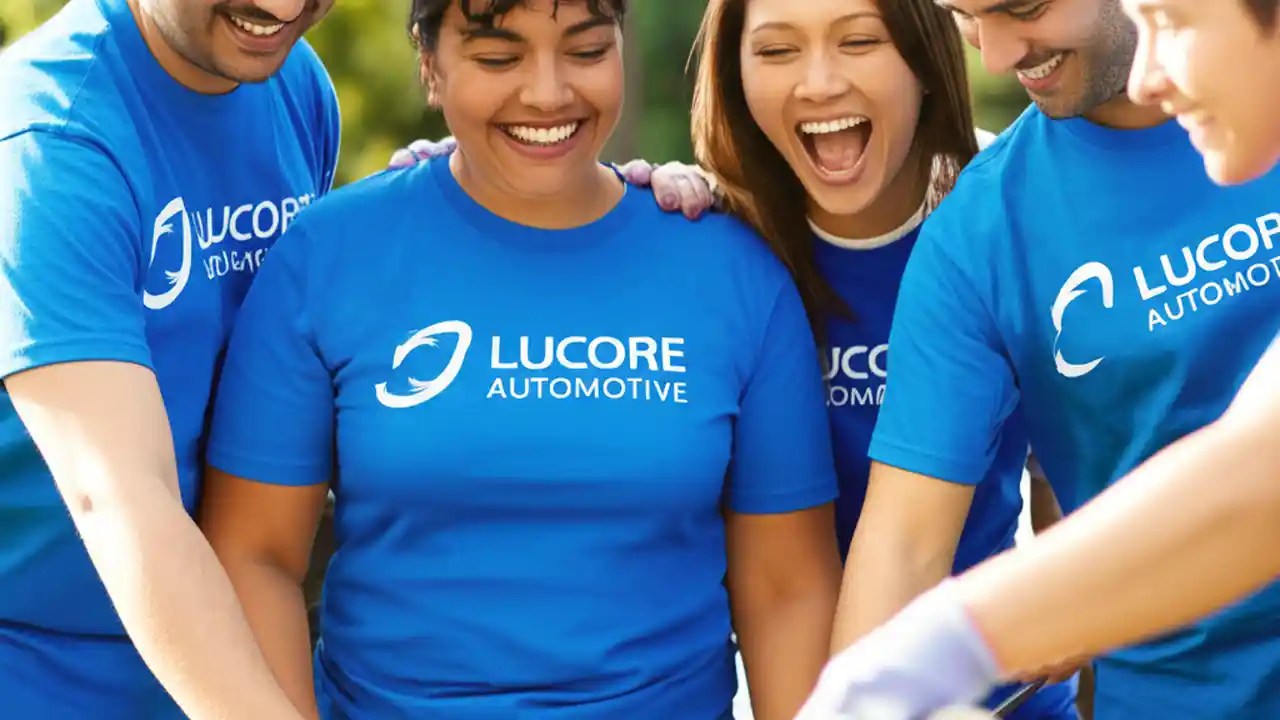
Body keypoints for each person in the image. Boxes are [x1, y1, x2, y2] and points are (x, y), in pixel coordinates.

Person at [394, 1, 1080, 716]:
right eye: (777, 51)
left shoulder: (1006, 212)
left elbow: (1086, 471)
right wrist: (458, 182)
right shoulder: (708, 233)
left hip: (1004, 692)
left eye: (858, 41)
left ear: (925, 57)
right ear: (735, 75)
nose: (819, 83)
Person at [198, 1, 842, 719]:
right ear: (430, 67)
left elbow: (787, 588)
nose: (547, 93)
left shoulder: (731, 270)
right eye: (499, 59)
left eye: (588, 51)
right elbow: (254, 556)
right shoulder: (326, 257)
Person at [798, 0, 1280, 717]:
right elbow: (903, 543)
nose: (992, 57)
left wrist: (1005, 619)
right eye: (965, 16)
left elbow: (1254, 479)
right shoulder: (982, 230)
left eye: (1023, 6)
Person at [0, 0, 341, 718]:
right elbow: (122, 499)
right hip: (44, 671)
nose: (282, 6)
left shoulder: (293, 83)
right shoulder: (50, 143)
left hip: (241, 643)